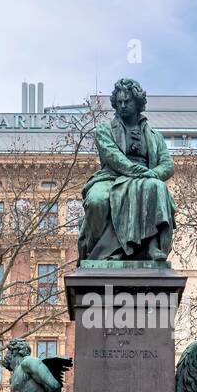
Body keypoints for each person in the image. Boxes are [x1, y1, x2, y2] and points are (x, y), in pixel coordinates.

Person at [77, 78, 176, 262]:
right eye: (119, 102)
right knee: (96, 200)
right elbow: (113, 157)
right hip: (111, 177)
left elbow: (168, 164)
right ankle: (98, 253)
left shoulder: (155, 136)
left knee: (157, 187)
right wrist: (140, 172)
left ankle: (152, 247)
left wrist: (153, 174)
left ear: (137, 102)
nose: (122, 106)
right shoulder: (104, 130)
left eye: (127, 101)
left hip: (145, 179)